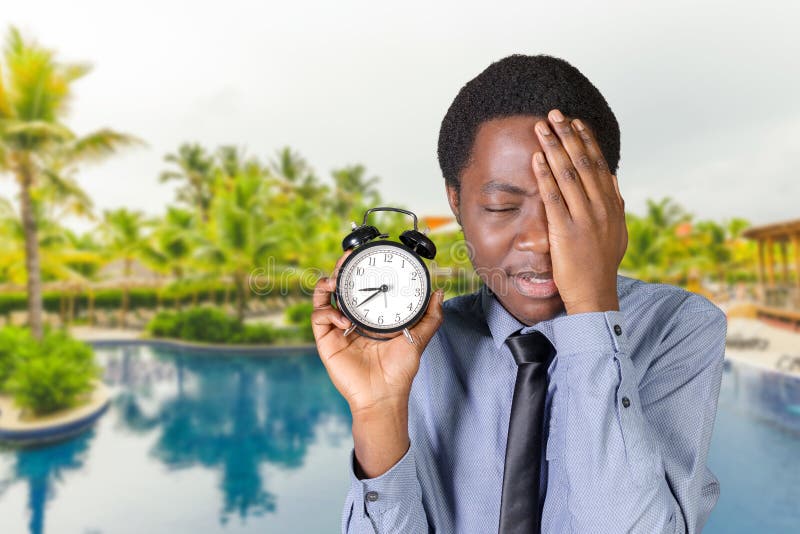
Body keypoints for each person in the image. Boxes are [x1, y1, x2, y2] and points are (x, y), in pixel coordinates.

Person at [311, 54, 727, 534]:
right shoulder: (416, 347)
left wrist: (591, 309)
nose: (538, 240)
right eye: (501, 206)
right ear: (456, 202)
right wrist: (378, 411)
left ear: (610, 203)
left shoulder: (679, 326)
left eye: (567, 204)